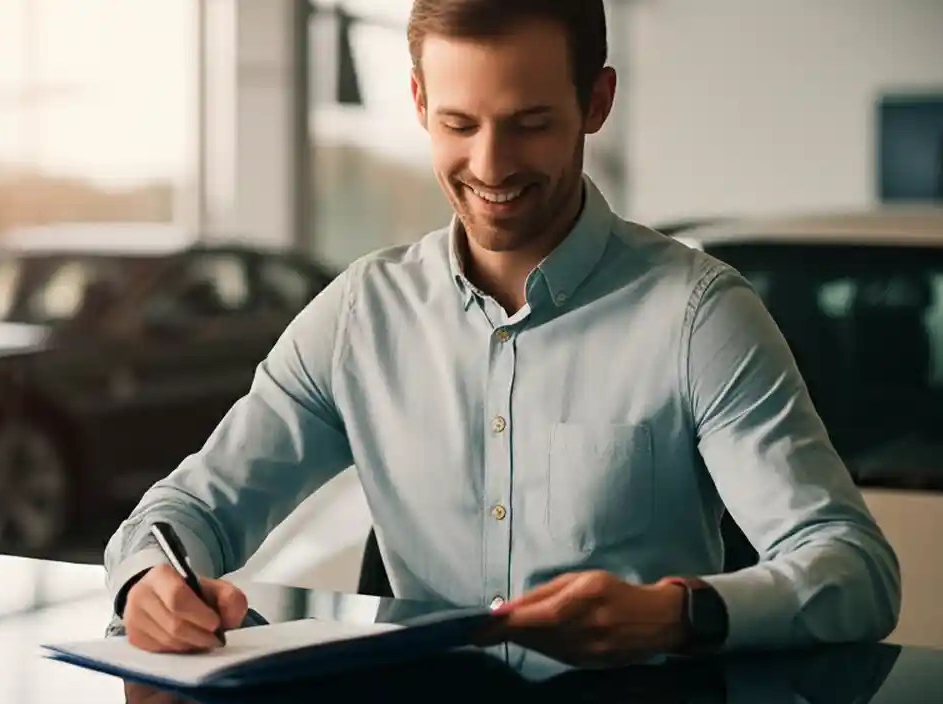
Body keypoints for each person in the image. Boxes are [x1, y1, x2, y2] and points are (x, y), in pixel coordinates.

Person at [104, 0, 900, 666]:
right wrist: (151, 583)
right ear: (417, 102)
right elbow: (189, 509)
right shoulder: (358, 317)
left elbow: (854, 569)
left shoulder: (699, 317)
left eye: (529, 124)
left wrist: (680, 614)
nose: (490, 165)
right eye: (458, 123)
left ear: (597, 102)